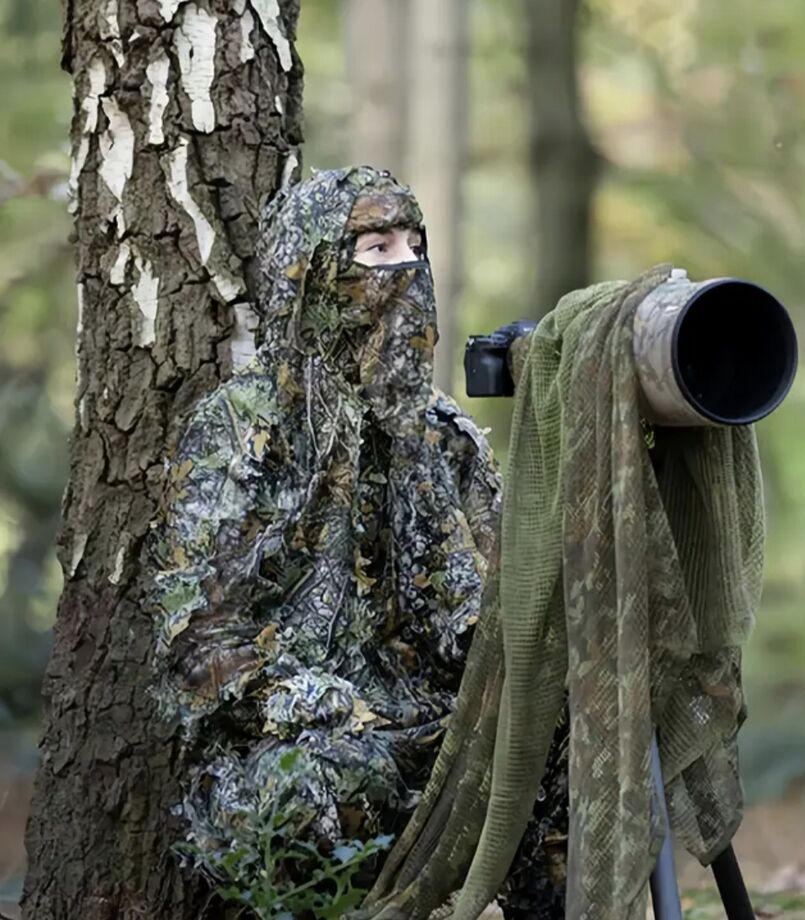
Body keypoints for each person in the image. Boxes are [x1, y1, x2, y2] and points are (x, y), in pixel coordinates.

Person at [145, 166, 504, 898]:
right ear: (312, 269)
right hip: (293, 744)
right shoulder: (241, 429)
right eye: (376, 248)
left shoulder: (443, 438)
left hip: (439, 730)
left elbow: (499, 607)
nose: (405, 268)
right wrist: (296, 698)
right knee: (309, 786)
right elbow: (195, 638)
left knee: (562, 752)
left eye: (414, 245)